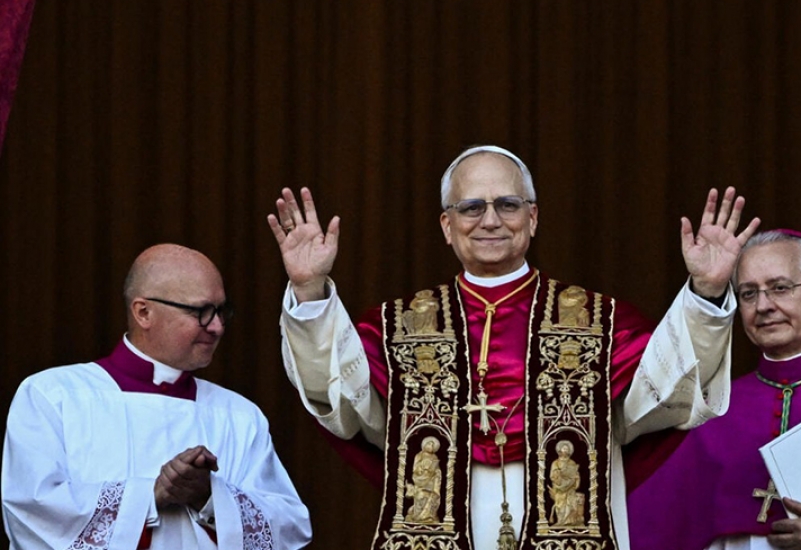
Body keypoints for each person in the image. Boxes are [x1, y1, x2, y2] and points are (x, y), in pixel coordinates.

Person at [267, 145, 759, 550]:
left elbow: (667, 385)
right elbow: (341, 399)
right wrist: (310, 292)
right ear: (446, 225)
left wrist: (705, 293)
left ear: (533, 216)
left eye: (507, 204)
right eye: (472, 207)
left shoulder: (598, 322)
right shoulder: (399, 327)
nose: (490, 220)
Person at [1, 244, 313, 550]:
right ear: (144, 312)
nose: (217, 327)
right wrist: (149, 496)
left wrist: (210, 498)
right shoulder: (54, 395)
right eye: (201, 311)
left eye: (220, 311)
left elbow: (290, 530)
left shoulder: (239, 416)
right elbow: (31, 511)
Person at [626, 229, 801, 550]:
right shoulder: (713, 408)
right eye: (748, 294)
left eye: (780, 288)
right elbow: (651, 523)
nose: (764, 305)